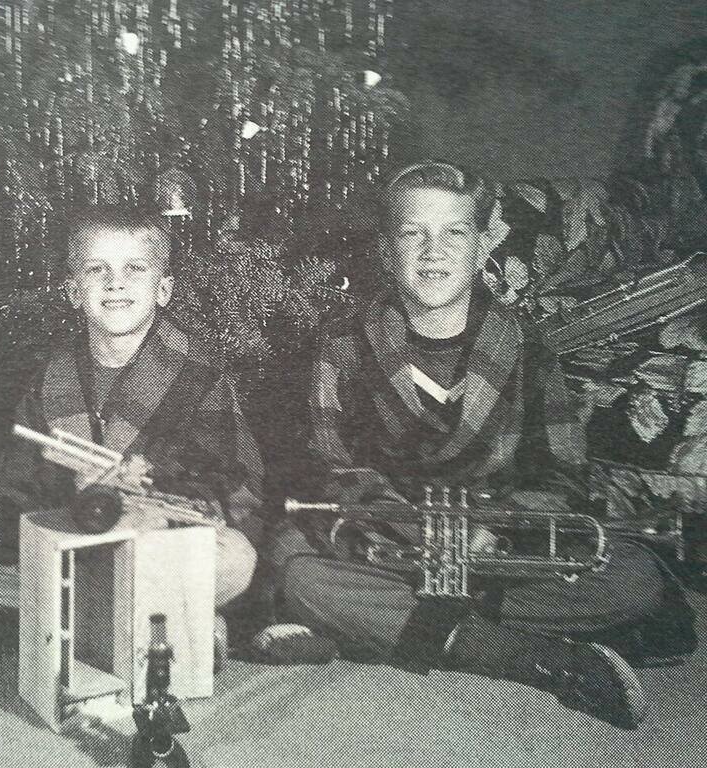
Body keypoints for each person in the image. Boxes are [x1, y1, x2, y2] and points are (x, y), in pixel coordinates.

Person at [254, 161, 696, 729]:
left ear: (484, 245)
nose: (433, 252)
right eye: (413, 233)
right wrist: (418, 531)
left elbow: (562, 471)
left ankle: (412, 630)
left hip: (495, 548)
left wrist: (496, 530)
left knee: (633, 577)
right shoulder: (343, 342)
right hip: (392, 539)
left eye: (454, 233)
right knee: (300, 574)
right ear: (386, 250)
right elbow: (334, 467)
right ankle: (521, 654)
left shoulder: (523, 343)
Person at [0, 206, 262, 658]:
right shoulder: (51, 379)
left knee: (235, 559)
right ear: (74, 291)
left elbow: (231, 482)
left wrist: (148, 486)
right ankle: (166, 618)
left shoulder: (198, 376)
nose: (116, 283)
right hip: (78, 539)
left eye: (135, 269)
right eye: (98, 270)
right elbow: (18, 478)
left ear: (164, 290)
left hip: (156, 540)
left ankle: (67, 619)